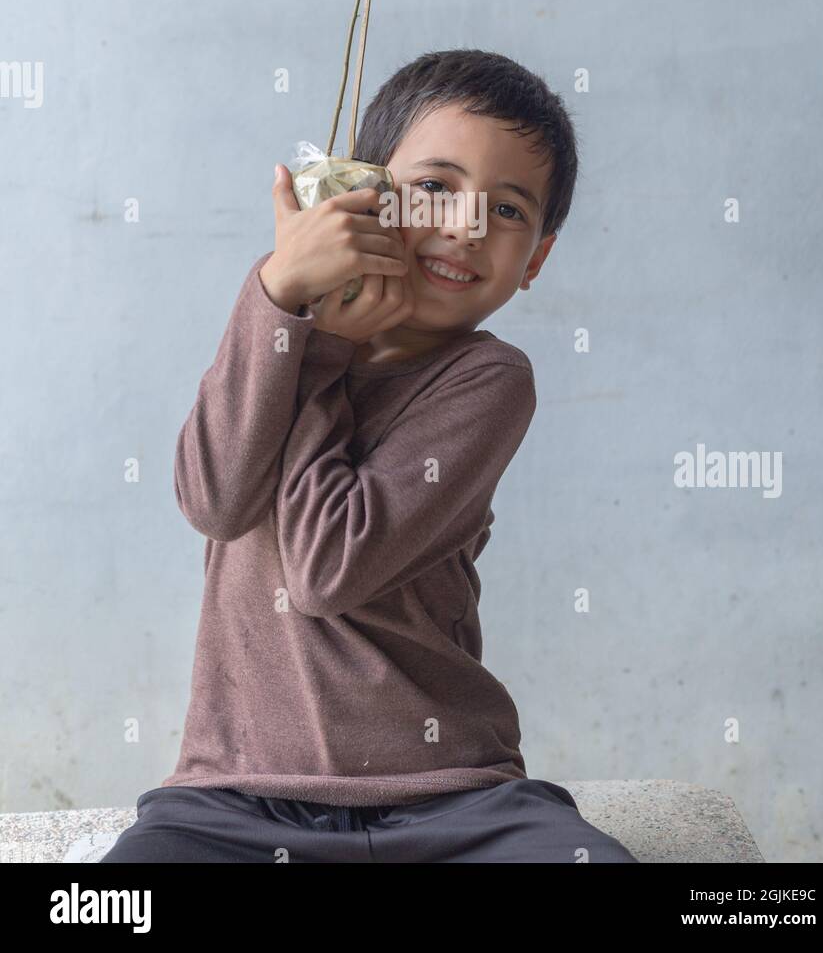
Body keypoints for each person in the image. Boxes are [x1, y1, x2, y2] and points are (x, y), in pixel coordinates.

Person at [102, 48, 638, 864]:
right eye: (434, 187)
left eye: (507, 210)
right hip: (234, 799)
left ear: (536, 259)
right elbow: (212, 500)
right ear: (364, 191)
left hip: (451, 799)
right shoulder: (277, 318)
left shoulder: (488, 380)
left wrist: (322, 357)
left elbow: (326, 571)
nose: (465, 226)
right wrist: (286, 301)